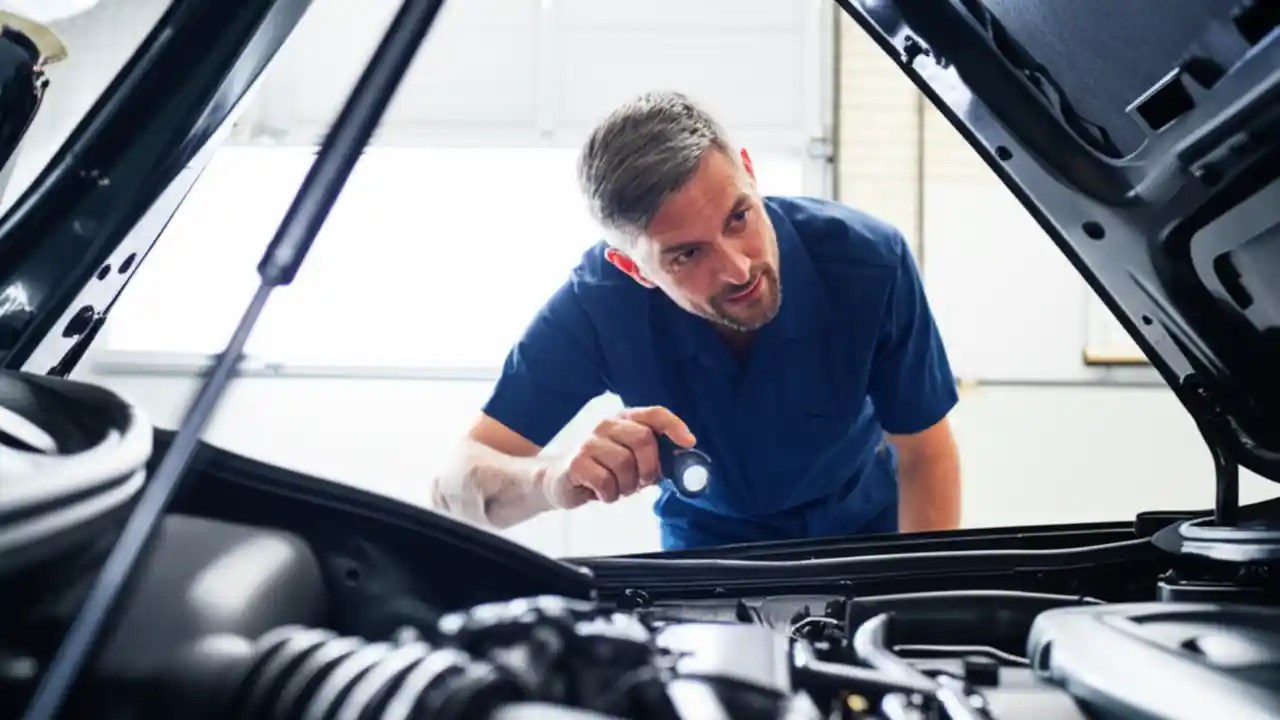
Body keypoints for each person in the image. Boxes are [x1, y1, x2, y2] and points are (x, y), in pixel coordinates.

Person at [430, 90, 962, 550]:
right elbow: (453, 489)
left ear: (750, 173)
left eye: (739, 217)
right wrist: (550, 480)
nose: (738, 268)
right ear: (632, 268)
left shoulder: (869, 262)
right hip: (706, 553)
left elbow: (924, 454)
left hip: (865, 531)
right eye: (687, 255)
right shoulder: (598, 305)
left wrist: (925, 619)